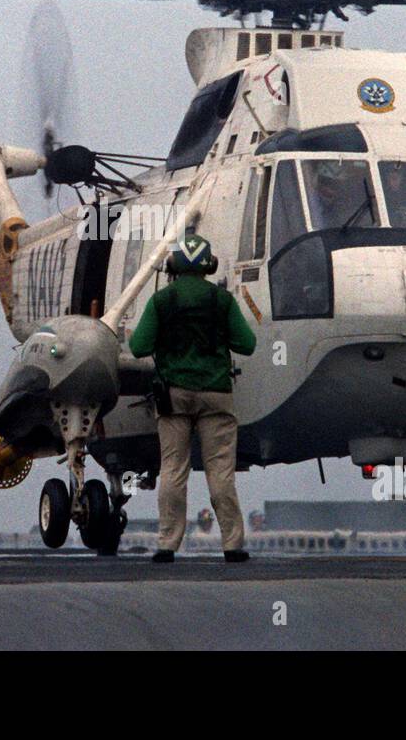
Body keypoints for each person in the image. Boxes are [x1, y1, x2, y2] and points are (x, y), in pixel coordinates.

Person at [129, 231, 257, 564]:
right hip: (216, 394)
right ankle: (232, 544)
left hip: (173, 396)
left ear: (173, 265)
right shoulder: (222, 300)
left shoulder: (162, 301)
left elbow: (138, 346)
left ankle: (167, 544)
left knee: (173, 468)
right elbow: (247, 344)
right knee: (220, 471)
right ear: (209, 265)